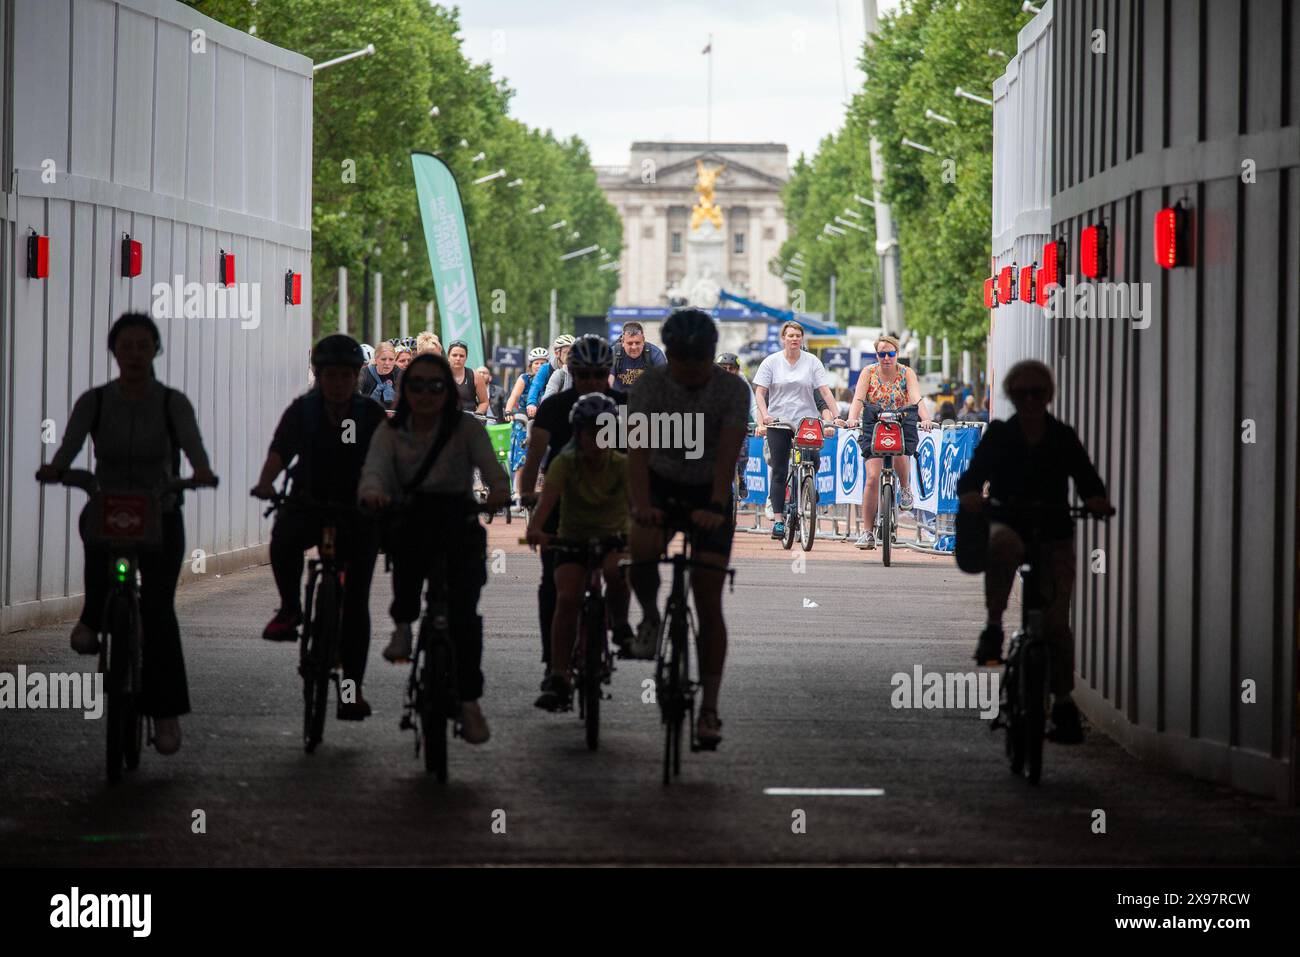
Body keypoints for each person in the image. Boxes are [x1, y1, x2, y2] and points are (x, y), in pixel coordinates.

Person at [36, 312, 217, 756]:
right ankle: (93, 615)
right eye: (126, 345)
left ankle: (166, 714)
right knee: (93, 537)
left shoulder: (173, 403)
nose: (134, 354)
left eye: (143, 345)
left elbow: (195, 452)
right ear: (113, 351)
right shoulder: (94, 402)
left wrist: (201, 473)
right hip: (109, 505)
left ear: (155, 350)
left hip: (160, 511)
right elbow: (71, 446)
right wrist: (57, 469)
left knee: (158, 610)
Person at [357, 353, 510, 745]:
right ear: (406, 391)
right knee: (405, 556)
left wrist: (498, 493)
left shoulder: (466, 428)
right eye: (417, 387)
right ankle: (403, 626)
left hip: (458, 518)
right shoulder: (391, 432)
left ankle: (470, 702)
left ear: (448, 391)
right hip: (410, 515)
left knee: (465, 617)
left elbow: (494, 472)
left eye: (435, 387)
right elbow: (373, 471)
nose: (426, 395)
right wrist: (373, 492)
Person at [957, 359, 1112, 744]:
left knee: (1058, 624)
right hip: (1009, 519)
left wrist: (1095, 500)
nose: (1030, 400)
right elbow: (972, 477)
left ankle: (1062, 703)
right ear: (1012, 395)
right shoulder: (1000, 435)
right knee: (1004, 544)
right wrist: (973, 495)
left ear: (1047, 396)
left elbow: (1087, 477)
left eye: (1037, 393)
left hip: (1054, 528)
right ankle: (994, 626)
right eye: (1022, 393)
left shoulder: (1062, 436)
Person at [626, 308, 749, 748]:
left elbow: (728, 455)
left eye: (700, 362)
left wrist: (717, 504)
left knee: (708, 598)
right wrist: (641, 506)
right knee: (638, 547)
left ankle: (710, 708)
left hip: (707, 491)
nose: (692, 372)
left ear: (712, 355)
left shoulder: (732, 389)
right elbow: (636, 453)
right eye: (683, 362)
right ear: (671, 355)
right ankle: (652, 617)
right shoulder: (650, 386)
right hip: (659, 484)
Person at [250, 334, 386, 720]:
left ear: (357, 376)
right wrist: (265, 483)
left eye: (346, 375)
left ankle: (349, 693)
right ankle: (290, 608)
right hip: (308, 502)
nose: (339, 382)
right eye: (331, 375)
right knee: (283, 538)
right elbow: (280, 451)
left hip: (357, 509)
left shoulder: (370, 415)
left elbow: (387, 459)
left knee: (356, 604)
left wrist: (383, 495)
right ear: (319, 375)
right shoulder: (302, 411)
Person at [517, 335, 620, 676]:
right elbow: (533, 462)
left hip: (611, 502)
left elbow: (643, 463)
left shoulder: (625, 405)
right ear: (570, 371)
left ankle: (620, 624)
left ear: (609, 372)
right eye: (583, 375)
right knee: (555, 586)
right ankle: (554, 665)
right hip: (560, 501)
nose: (591, 382)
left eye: (598, 375)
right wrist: (528, 498)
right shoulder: (553, 407)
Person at [526, 392, 632, 711]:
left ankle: (622, 626)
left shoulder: (623, 465)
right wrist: (536, 529)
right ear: (577, 434)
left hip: (612, 538)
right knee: (568, 597)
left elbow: (639, 505)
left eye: (605, 432)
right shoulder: (564, 463)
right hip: (571, 538)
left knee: (617, 572)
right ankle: (558, 673)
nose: (597, 440)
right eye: (590, 433)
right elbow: (546, 504)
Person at [843, 334, 932, 549]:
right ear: (876, 355)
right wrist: (852, 418)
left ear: (897, 354)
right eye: (881, 354)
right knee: (873, 478)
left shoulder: (906, 373)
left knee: (902, 449)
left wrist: (926, 418)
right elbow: (858, 399)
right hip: (874, 424)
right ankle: (866, 532)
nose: (886, 358)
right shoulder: (868, 372)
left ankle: (905, 487)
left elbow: (916, 397)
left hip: (900, 423)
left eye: (890, 353)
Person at [752, 321, 837, 541]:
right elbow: (760, 393)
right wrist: (765, 416)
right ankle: (779, 521)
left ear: (802, 338)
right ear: (783, 338)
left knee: (812, 460)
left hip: (805, 421)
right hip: (779, 422)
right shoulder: (771, 362)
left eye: (798, 335)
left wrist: (834, 420)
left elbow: (825, 393)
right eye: (790, 335)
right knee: (779, 470)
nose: (794, 338)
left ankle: (807, 486)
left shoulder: (812, 362)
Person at [505, 348, 551, 493]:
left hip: (544, 418)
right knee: (522, 453)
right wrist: (508, 410)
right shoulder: (524, 378)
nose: (538, 366)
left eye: (542, 363)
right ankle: (518, 492)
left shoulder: (552, 378)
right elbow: (513, 396)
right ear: (530, 364)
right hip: (524, 416)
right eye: (536, 363)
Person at [609, 321, 666, 402]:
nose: (634, 347)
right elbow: (608, 381)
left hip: (647, 401)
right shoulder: (613, 353)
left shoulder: (655, 354)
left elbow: (664, 382)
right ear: (622, 342)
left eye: (637, 343)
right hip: (619, 401)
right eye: (630, 343)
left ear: (643, 340)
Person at [526, 334, 575, 416]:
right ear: (557, 353)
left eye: (573, 352)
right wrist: (531, 403)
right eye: (566, 352)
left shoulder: (578, 370)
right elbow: (535, 386)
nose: (570, 356)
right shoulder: (546, 369)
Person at [447, 340, 489, 413]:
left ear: (466, 358)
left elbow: (484, 402)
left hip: (468, 420)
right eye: (454, 355)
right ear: (448, 357)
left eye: (461, 356)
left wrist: (477, 415)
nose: (458, 358)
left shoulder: (475, 376)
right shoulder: (440, 375)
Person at [361, 341, 401, 409]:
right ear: (376, 359)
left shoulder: (400, 374)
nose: (387, 363)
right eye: (383, 359)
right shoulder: (365, 373)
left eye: (391, 359)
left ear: (395, 360)